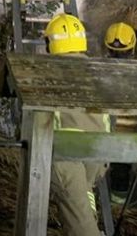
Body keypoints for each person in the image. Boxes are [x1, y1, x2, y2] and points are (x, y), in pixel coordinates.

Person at [45, 13, 110, 235]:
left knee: (81, 225)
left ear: (50, 43)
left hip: (66, 156)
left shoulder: (48, 74)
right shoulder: (96, 72)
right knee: (84, 202)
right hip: (99, 154)